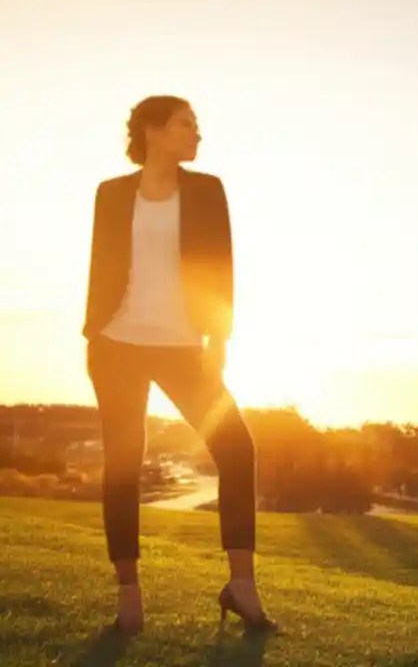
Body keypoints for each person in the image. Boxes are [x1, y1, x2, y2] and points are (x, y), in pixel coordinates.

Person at [82, 95, 276, 636]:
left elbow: (221, 264)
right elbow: (101, 266)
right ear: (153, 130)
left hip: (183, 345)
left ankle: (242, 585)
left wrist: (220, 337)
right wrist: (92, 334)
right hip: (116, 343)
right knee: (123, 463)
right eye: (186, 124)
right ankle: (128, 599)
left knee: (236, 447)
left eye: (195, 125)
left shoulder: (207, 190)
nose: (197, 133)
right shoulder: (112, 194)